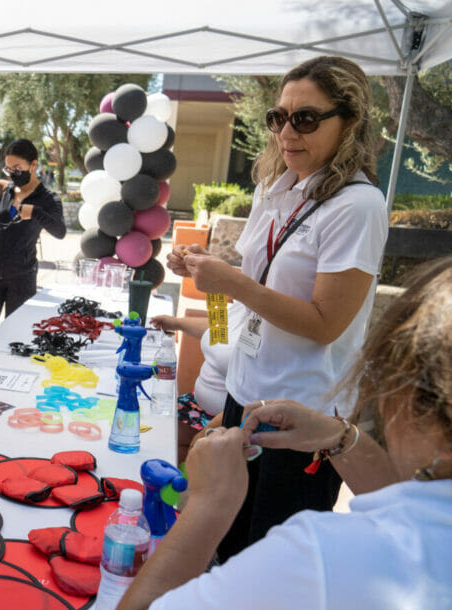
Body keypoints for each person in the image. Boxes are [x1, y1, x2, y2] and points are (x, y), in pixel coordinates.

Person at [105, 256, 452, 610]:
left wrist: (209, 504)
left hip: (217, 421)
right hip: (224, 414)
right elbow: (216, 335)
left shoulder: (325, 558)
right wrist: (178, 323)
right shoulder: (235, 307)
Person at [166, 55, 388, 560]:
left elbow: (326, 323)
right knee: (225, 547)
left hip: (301, 417)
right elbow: (260, 285)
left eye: (305, 118)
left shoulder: (357, 205)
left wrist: (230, 284)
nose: (287, 132)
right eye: (278, 117)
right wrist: (207, 268)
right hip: (245, 394)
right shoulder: (277, 187)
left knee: (268, 563)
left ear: (349, 122)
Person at [0, 138, 66, 338]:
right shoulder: (3, 191)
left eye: (17, 168)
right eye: (8, 169)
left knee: (16, 338)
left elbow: (60, 231)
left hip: (22, 279)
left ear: (33, 165)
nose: (12, 173)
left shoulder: (48, 199)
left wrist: (35, 212)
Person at [150, 305, 242, 460]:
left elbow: (253, 401)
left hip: (228, 419)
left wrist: (211, 428)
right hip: (199, 406)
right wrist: (176, 323)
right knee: (152, 429)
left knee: (159, 442)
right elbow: (219, 330)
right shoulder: (245, 307)